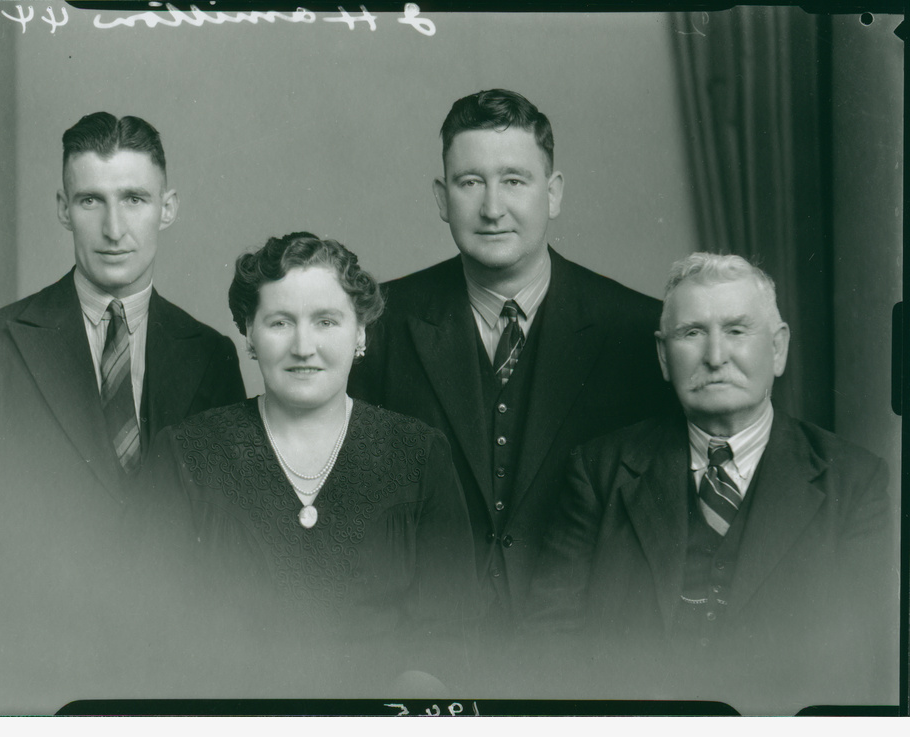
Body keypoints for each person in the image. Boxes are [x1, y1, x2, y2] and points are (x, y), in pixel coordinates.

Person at [0, 112, 246, 712]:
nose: (114, 227)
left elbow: (228, 526)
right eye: (91, 200)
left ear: (167, 208)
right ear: (64, 208)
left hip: (174, 675)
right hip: (37, 672)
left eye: (135, 198)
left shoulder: (211, 355)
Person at [348, 89, 672, 624]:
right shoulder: (378, 322)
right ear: (440, 196)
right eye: (470, 182)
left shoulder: (637, 328)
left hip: (586, 651)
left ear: (554, 192)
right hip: (422, 644)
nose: (492, 207)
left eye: (514, 181)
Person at [528, 253, 897, 712]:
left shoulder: (854, 481)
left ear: (778, 348)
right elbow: (549, 641)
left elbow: (869, 665)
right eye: (692, 333)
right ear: (664, 356)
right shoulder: (599, 470)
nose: (716, 356)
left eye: (737, 330)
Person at [145, 232, 479, 697]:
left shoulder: (420, 455)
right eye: (280, 322)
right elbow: (155, 639)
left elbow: (446, 638)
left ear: (360, 332)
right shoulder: (188, 456)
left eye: (326, 321)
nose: (304, 346)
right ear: (249, 333)